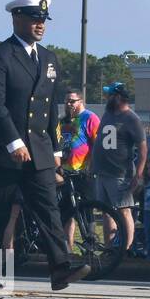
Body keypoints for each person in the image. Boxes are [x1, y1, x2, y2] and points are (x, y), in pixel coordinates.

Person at [0, 0, 89, 290]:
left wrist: (57, 150)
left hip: (39, 148)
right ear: (17, 19)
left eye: (43, 20)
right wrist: (14, 142)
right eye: (35, 19)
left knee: (49, 207)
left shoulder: (49, 58)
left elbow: (49, 108)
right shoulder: (0, 55)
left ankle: (60, 268)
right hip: (5, 150)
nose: (40, 26)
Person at [91, 82, 146, 255]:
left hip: (120, 173)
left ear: (118, 97)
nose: (107, 98)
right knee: (106, 211)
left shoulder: (131, 118)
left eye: (110, 95)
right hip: (102, 171)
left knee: (124, 210)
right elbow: (100, 140)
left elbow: (143, 148)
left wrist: (139, 173)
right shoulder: (108, 114)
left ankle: (126, 249)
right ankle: (110, 248)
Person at [55, 89, 99, 249]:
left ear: (81, 101)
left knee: (87, 211)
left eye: (72, 101)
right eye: (66, 101)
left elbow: (97, 145)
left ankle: (90, 246)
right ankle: (67, 249)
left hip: (83, 172)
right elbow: (56, 146)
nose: (69, 104)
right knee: (65, 213)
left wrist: (90, 166)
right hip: (64, 172)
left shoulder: (90, 117)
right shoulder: (62, 121)